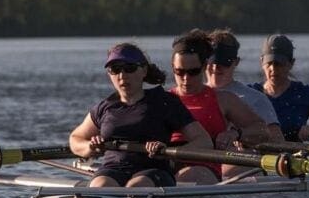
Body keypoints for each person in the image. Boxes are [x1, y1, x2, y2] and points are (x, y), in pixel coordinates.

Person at [69, 42, 213, 187]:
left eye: (129, 68)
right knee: (100, 185)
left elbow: (203, 141)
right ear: (109, 73)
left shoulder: (164, 102)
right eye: (115, 69)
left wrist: (169, 152)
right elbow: (75, 139)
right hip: (113, 170)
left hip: (154, 170)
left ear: (144, 70)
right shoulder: (105, 107)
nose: (122, 75)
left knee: (137, 186)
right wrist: (90, 148)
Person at [167, 30, 273, 182]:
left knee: (190, 176)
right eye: (179, 72)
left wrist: (236, 134)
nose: (185, 78)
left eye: (193, 72)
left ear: (204, 67)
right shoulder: (164, 99)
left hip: (204, 169)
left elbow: (262, 131)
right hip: (167, 166)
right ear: (173, 68)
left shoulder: (224, 99)